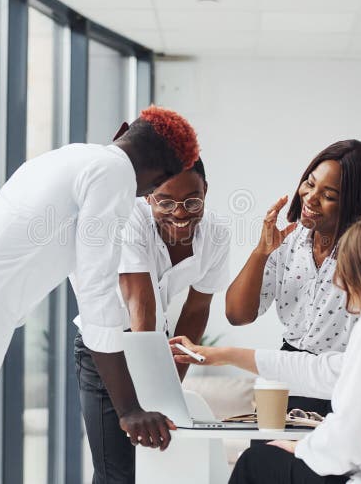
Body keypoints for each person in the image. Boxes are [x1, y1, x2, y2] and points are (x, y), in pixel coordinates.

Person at [0, 106, 199, 484]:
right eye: (154, 190)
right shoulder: (114, 174)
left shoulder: (70, 158)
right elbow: (97, 293)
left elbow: (86, 279)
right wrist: (129, 409)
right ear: (162, 177)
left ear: (124, 130)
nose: (145, 197)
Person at [172, 213, 361, 484]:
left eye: (344, 268)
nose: (338, 281)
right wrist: (224, 356)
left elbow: (346, 442)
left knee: (256, 462)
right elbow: (323, 371)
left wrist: (302, 448)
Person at [75, 158, 231, 484]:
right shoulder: (129, 218)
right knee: (117, 472)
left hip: (152, 346)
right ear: (147, 195)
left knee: (154, 470)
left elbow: (196, 310)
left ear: (206, 191)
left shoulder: (216, 233)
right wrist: (148, 394)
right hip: (108, 349)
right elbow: (140, 303)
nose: (180, 212)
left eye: (192, 200)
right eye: (165, 201)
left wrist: (168, 387)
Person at [225, 140, 361, 416]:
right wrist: (261, 251)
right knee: (262, 457)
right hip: (288, 377)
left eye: (329, 195)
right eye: (309, 183)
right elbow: (237, 314)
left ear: (356, 204)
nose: (310, 197)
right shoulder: (290, 240)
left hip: (342, 382)